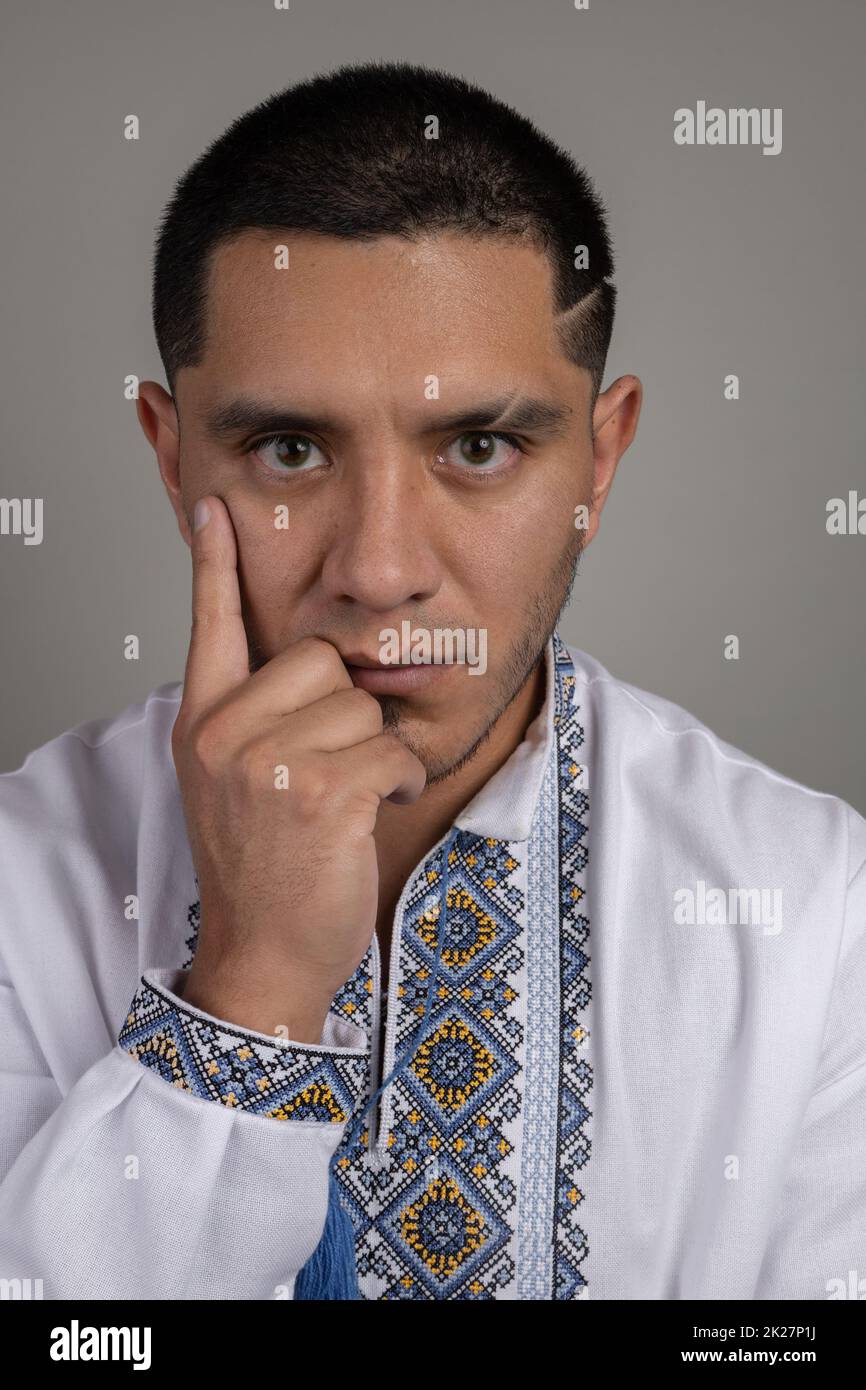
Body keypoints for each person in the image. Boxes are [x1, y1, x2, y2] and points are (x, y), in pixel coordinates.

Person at [0, 59, 863, 1302]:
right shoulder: (21, 879)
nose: (382, 570)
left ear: (598, 461)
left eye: (478, 446)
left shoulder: (810, 915)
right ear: (171, 455)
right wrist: (248, 994)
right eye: (288, 449)